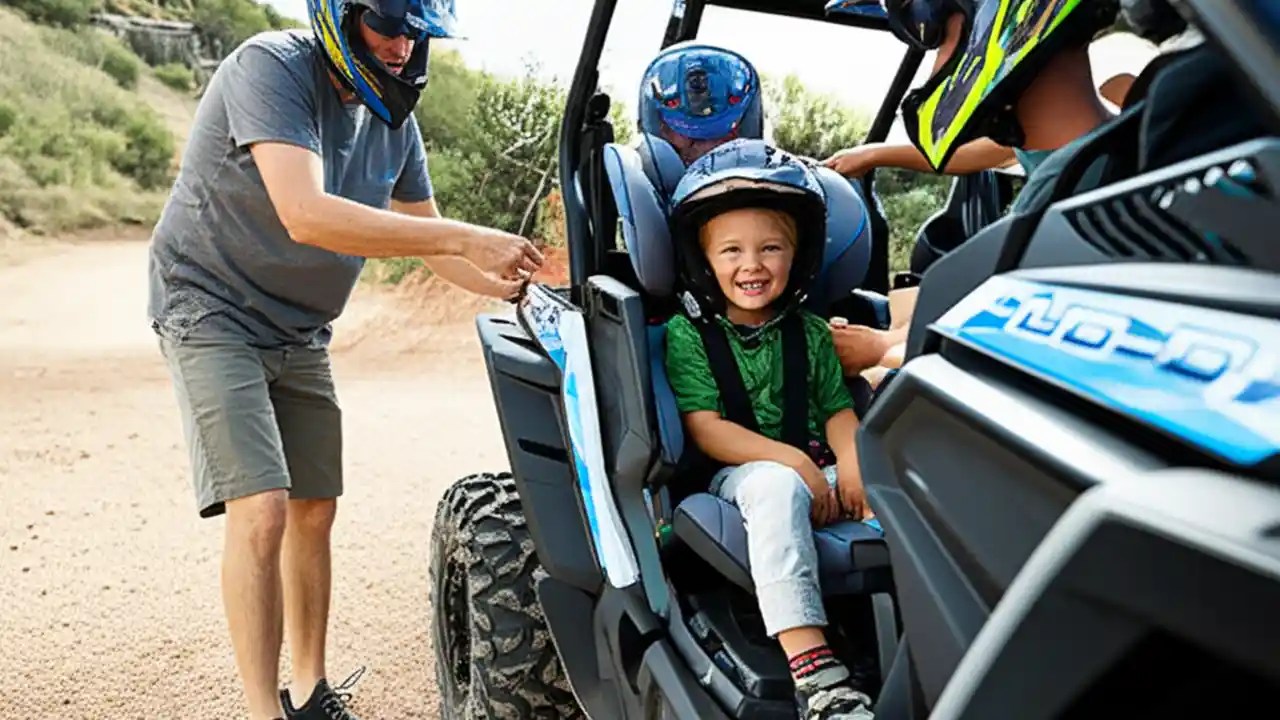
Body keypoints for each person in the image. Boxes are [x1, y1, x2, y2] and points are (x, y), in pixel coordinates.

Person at [146, 0, 542, 718]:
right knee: (262, 507)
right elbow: (307, 213)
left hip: (301, 326)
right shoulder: (271, 68)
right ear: (340, 16)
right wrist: (465, 235)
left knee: (314, 507)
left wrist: (521, 289)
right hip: (211, 307)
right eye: (387, 27)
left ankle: (310, 693)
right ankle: (266, 712)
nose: (401, 46)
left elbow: (429, 243)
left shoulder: (395, 121)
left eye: (414, 32)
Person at [663, 141, 877, 720]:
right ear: (705, 261)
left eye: (771, 248)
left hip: (817, 465)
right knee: (775, 489)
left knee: (899, 479)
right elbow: (707, 430)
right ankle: (815, 672)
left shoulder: (809, 332)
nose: (751, 265)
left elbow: (837, 409)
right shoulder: (689, 335)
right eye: (731, 250)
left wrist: (852, 463)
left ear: (798, 256)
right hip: (741, 477)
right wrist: (796, 464)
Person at [821, 0, 1127, 379]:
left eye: (933, 37)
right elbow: (985, 153)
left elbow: (1003, 346)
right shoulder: (1107, 151)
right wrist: (872, 154)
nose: (934, 67)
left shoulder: (1072, 201)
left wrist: (882, 349)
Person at [638, 41, 764, 165]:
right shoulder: (634, 175)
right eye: (692, 140)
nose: (705, 147)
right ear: (663, 129)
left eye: (721, 137)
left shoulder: (766, 172)